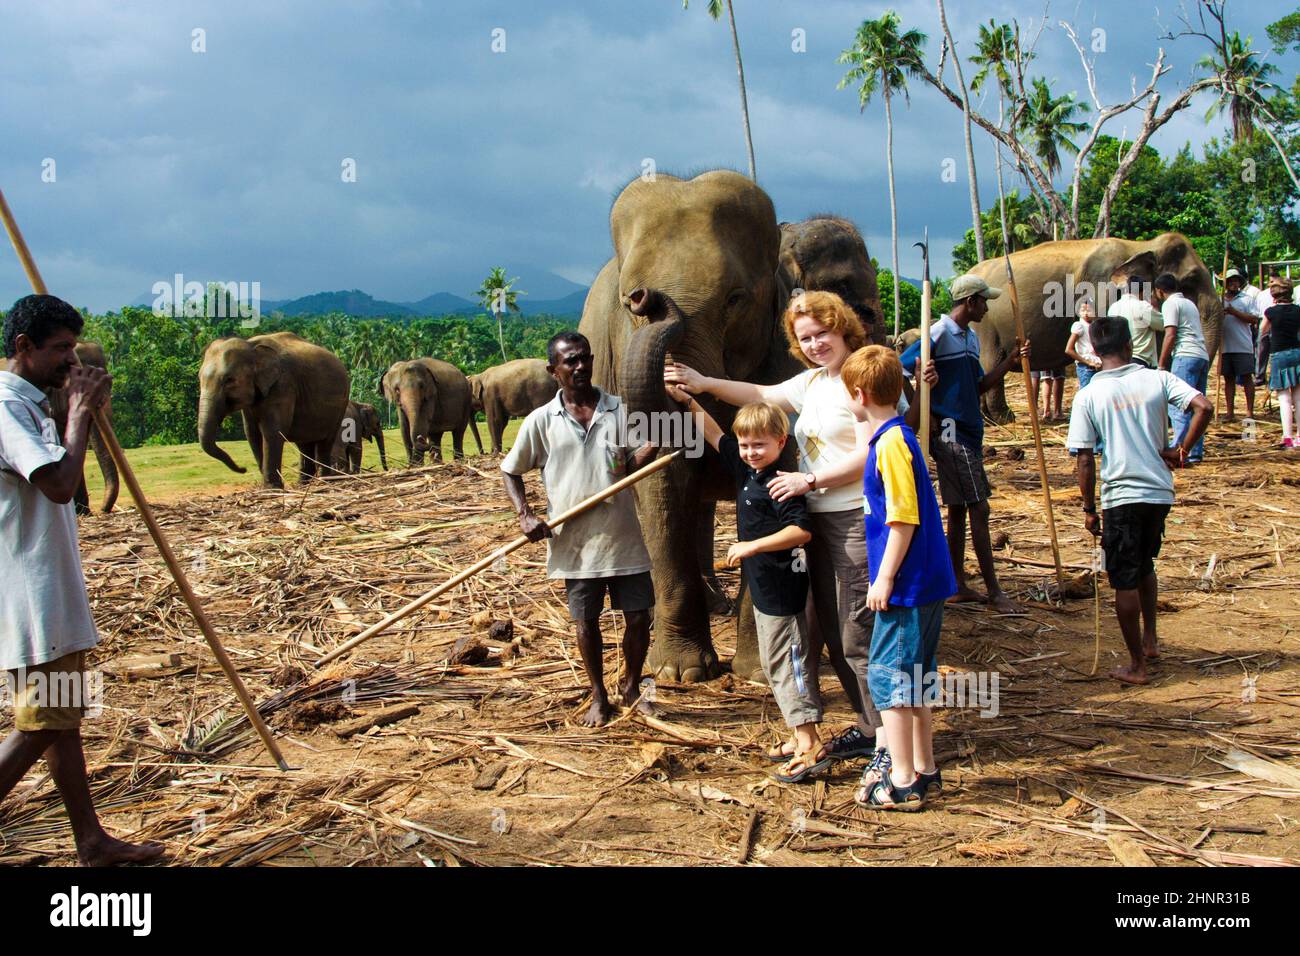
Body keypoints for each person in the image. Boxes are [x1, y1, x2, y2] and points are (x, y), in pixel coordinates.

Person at [665, 291, 931, 770]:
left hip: (854, 517)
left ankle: (891, 746)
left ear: (842, 328)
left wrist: (811, 479)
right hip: (819, 516)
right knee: (832, 628)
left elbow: (877, 450)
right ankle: (873, 728)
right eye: (805, 338)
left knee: (857, 632)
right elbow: (761, 395)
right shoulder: (813, 383)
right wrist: (702, 383)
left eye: (822, 334)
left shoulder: (864, 378)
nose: (814, 345)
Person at [0, 294, 165, 865]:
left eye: (74, 347)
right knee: (42, 723)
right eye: (61, 349)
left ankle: (90, 842)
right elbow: (60, 485)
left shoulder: (32, 403)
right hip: (32, 596)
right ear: (23, 347)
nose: (71, 361)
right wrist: (78, 415)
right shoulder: (5, 408)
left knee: (63, 721)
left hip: (54, 592)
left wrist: (74, 411)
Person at [501, 331, 661, 727]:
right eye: (570, 361)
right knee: (586, 623)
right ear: (552, 370)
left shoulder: (620, 411)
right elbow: (510, 470)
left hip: (622, 536)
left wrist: (647, 450)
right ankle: (598, 695)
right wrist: (525, 515)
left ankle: (630, 684)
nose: (580, 367)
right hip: (574, 543)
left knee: (640, 616)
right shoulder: (541, 421)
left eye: (584, 359)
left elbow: (627, 466)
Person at [665, 391, 824, 782]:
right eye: (747, 445)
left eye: (760, 445)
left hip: (782, 586)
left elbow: (801, 531)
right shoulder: (747, 469)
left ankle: (810, 743)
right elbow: (716, 435)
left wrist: (752, 546)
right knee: (777, 662)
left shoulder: (781, 483)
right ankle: (797, 734)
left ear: (780, 443)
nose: (751, 452)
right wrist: (688, 403)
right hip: (764, 585)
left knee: (789, 664)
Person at [840, 346, 956, 810]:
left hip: (906, 586)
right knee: (918, 679)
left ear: (860, 393)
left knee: (892, 682)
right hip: (925, 581)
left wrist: (883, 579)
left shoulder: (889, 445)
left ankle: (903, 780)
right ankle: (926, 768)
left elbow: (903, 518)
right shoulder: (896, 435)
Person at [1068, 317, 1212, 685]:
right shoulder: (1157, 378)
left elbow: (1084, 457)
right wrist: (1181, 451)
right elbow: (1204, 406)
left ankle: (1137, 665)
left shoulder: (1088, 395)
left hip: (1121, 495)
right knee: (1144, 563)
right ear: (1130, 345)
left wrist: (1088, 508)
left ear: (1095, 353)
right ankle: (1150, 640)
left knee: (1124, 580)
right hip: (1158, 492)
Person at [900, 275, 1030, 614]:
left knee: (959, 509)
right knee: (979, 507)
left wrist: (1009, 363)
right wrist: (921, 404)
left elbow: (978, 386)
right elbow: (898, 368)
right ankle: (995, 591)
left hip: (970, 432)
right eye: (984, 301)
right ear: (970, 301)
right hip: (949, 433)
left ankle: (957, 582)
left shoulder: (969, 338)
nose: (987, 308)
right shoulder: (938, 333)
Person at [1155, 272, 1210, 465]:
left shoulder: (1170, 304)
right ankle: (1194, 451)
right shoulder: (1189, 303)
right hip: (1201, 355)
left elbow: (1170, 334)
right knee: (1198, 407)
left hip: (1185, 355)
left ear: (1160, 291)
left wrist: (1162, 364)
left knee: (1179, 405)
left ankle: (1179, 450)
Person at [1263, 278, 1300, 448]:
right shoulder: (1298, 310)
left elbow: (1262, 333)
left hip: (1279, 355)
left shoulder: (1270, 312)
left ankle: (1287, 437)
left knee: (1284, 398)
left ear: (1274, 295)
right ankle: (1299, 436)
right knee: (1298, 397)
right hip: (1297, 353)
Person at [1220, 269, 1260, 421]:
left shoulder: (1247, 299)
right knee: (1228, 379)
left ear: (1240, 283)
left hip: (1243, 345)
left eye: (1236, 281)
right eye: (1230, 281)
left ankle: (1249, 412)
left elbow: (1253, 319)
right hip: (1225, 346)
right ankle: (1230, 412)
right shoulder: (1220, 299)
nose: (1233, 284)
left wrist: (1233, 311)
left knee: (1246, 378)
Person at [1106, 274, 1164, 369]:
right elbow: (1162, 325)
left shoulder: (1113, 307)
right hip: (1139, 360)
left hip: (1118, 360)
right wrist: (1155, 306)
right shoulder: (1143, 307)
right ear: (1142, 292)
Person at [1065, 299, 1102, 390]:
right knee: (1086, 393)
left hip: (1098, 366)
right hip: (1086, 368)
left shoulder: (1095, 326)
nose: (1086, 313)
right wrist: (1087, 362)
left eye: (1089, 310)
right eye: (1082, 310)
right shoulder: (1079, 326)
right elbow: (1069, 350)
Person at [1255, 271, 1283, 387]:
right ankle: (1259, 376)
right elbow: (1257, 310)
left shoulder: (1283, 294)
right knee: (1261, 350)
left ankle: (1276, 376)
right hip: (1264, 321)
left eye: (1274, 282)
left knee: (1277, 351)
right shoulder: (1262, 294)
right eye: (1270, 282)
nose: (1272, 284)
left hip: (1278, 322)